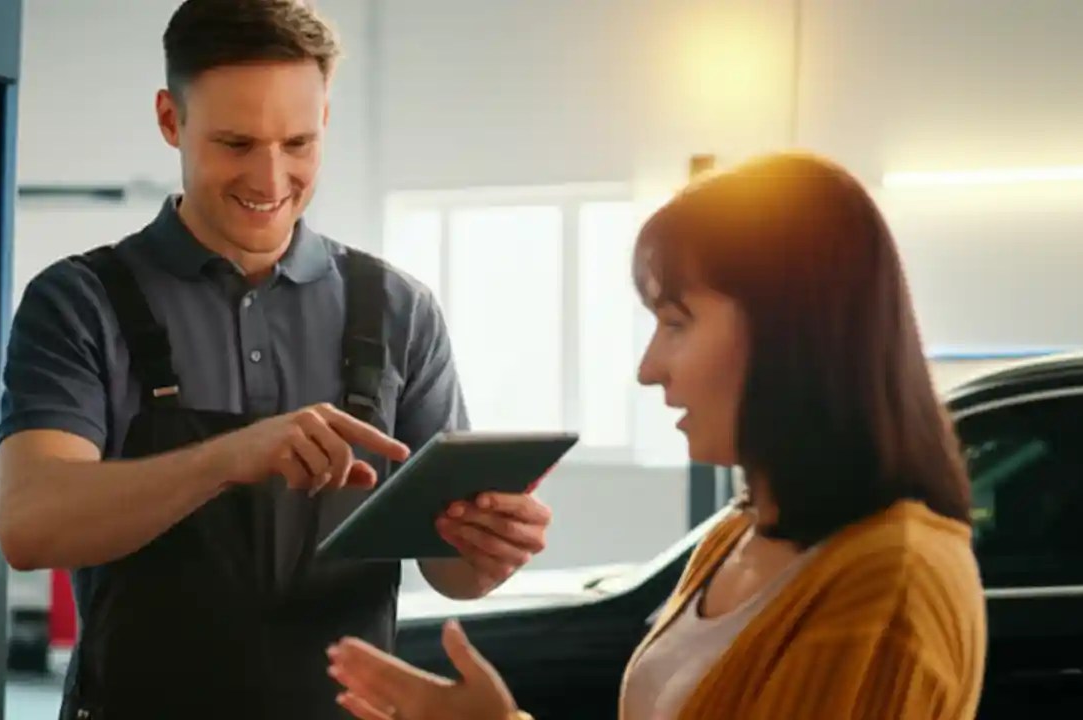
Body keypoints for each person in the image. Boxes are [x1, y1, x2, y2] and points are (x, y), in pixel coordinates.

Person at [0, 1, 553, 717]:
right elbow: (30, 523)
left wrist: (487, 548)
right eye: (235, 143)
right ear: (171, 120)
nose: (270, 178)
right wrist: (226, 458)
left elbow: (450, 572)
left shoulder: (398, 309)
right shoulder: (80, 301)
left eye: (297, 142)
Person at [324, 152, 988, 720]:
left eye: (676, 323)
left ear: (792, 331)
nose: (649, 369)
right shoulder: (739, 536)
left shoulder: (891, 581)